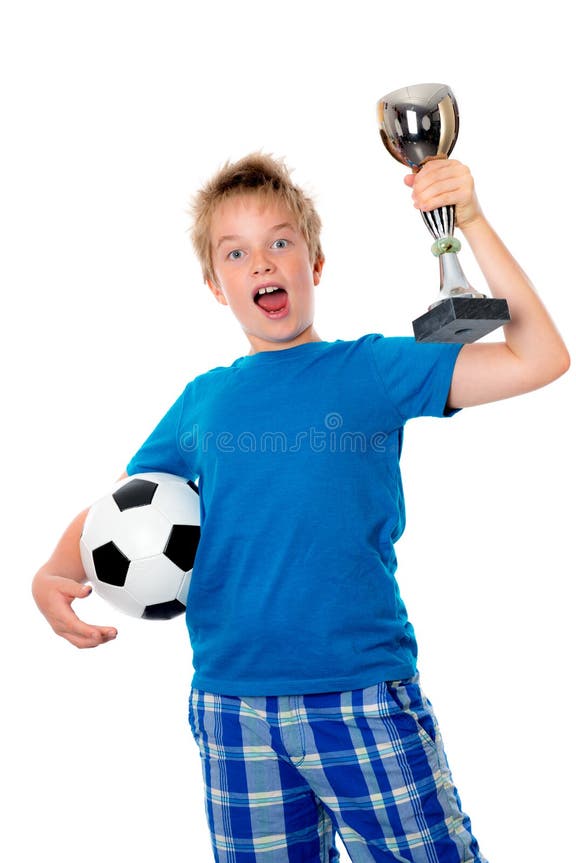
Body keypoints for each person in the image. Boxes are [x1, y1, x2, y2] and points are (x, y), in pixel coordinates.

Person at [32, 152, 570, 862]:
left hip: (361, 694)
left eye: (281, 242)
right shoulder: (203, 400)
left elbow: (539, 358)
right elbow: (125, 509)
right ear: (215, 285)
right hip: (232, 707)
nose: (262, 262)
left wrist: (468, 220)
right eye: (236, 252)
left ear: (315, 263)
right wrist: (55, 570)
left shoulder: (373, 367)